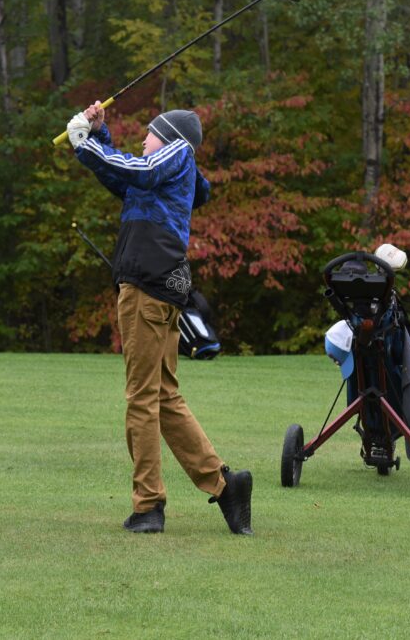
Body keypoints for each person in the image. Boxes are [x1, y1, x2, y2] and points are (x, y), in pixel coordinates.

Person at [66, 103, 253, 535]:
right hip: (157, 288)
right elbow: (122, 176)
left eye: (149, 134)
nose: (144, 141)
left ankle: (149, 505)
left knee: (141, 400)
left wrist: (85, 143)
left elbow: (141, 169)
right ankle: (226, 487)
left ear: (166, 137)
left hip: (147, 290)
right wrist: (96, 137)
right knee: (163, 397)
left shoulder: (176, 153)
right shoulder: (159, 172)